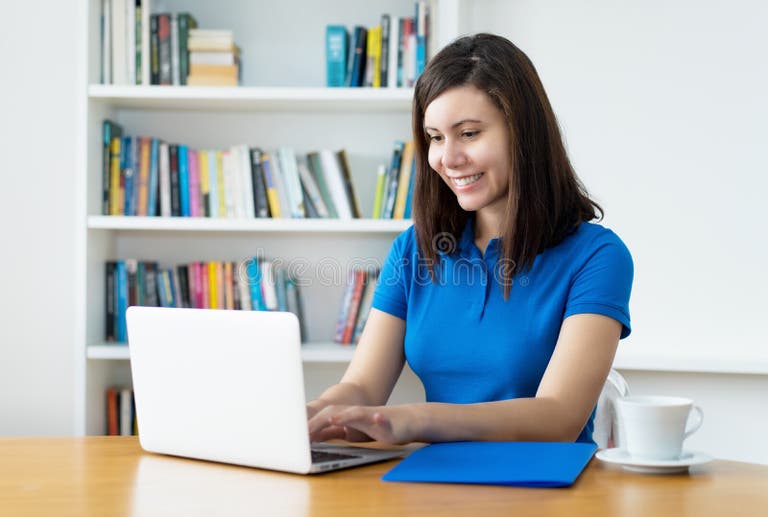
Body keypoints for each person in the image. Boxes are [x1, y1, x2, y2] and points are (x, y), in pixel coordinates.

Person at [307, 33, 633, 446]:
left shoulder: (597, 257)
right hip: (432, 485)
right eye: (436, 137)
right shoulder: (413, 250)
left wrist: (414, 420)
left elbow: (559, 416)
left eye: (469, 133)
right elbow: (362, 387)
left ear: (523, 133)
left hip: (548, 491)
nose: (448, 158)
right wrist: (313, 413)